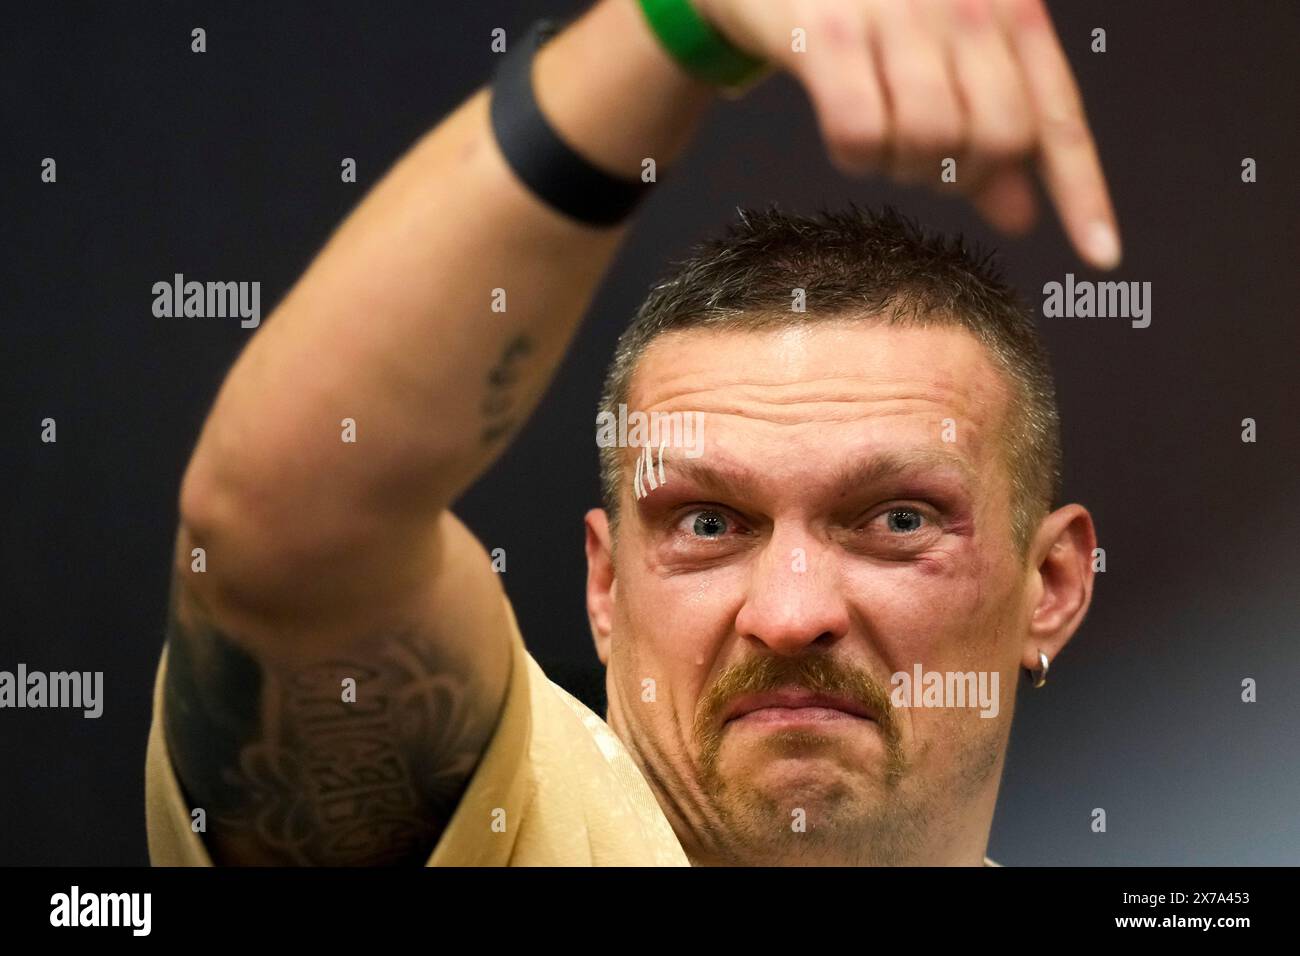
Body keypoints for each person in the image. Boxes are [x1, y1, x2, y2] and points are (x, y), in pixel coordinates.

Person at [146, 0, 1117, 866]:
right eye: (706, 522)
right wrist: (670, 23)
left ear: (1053, 585)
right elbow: (281, 526)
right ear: (604, 587)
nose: (787, 614)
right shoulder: (517, 821)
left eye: (898, 519)